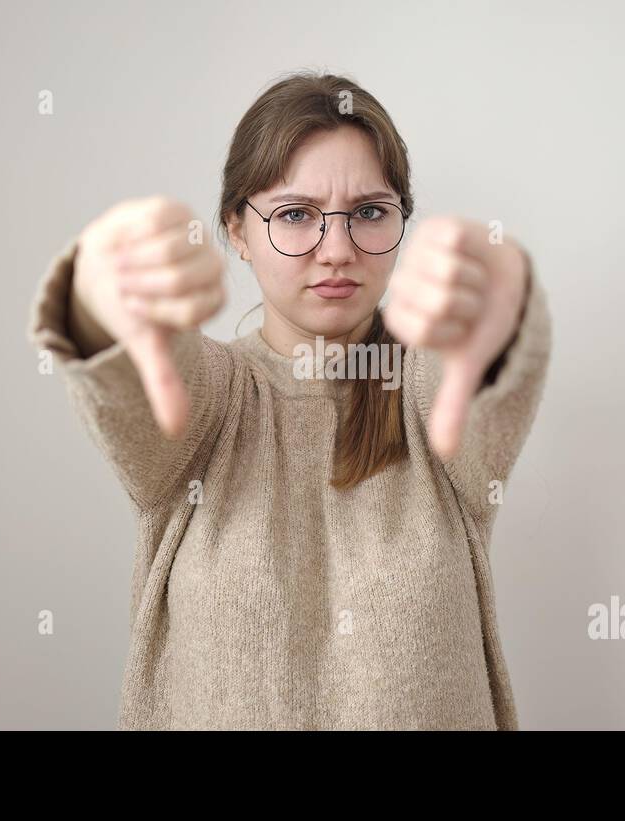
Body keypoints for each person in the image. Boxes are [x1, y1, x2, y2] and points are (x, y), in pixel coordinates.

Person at [28, 71, 551, 729]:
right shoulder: (211, 402)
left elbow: (482, 378)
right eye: (295, 215)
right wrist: (93, 301)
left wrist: (503, 317)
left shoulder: (425, 398)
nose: (337, 250)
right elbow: (132, 376)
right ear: (237, 231)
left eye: (369, 212)